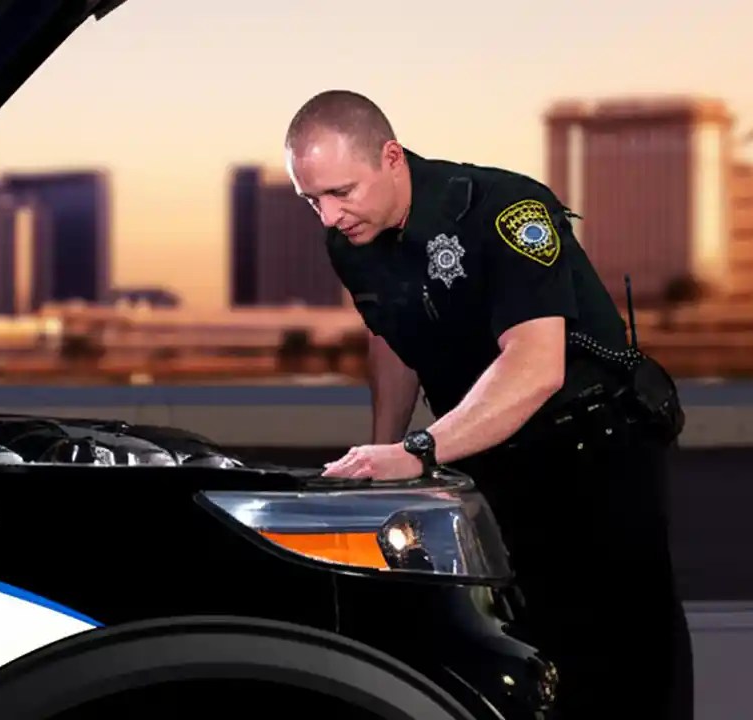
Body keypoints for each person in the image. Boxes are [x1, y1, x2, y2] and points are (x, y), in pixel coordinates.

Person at [283, 89, 692, 719]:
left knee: (624, 662)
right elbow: (391, 338)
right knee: (520, 656)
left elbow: (536, 365)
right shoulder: (350, 240)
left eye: (342, 192)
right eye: (312, 200)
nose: (329, 217)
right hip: (487, 456)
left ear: (391, 157)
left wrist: (418, 451)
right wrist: (382, 457)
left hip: (592, 455)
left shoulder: (502, 209)